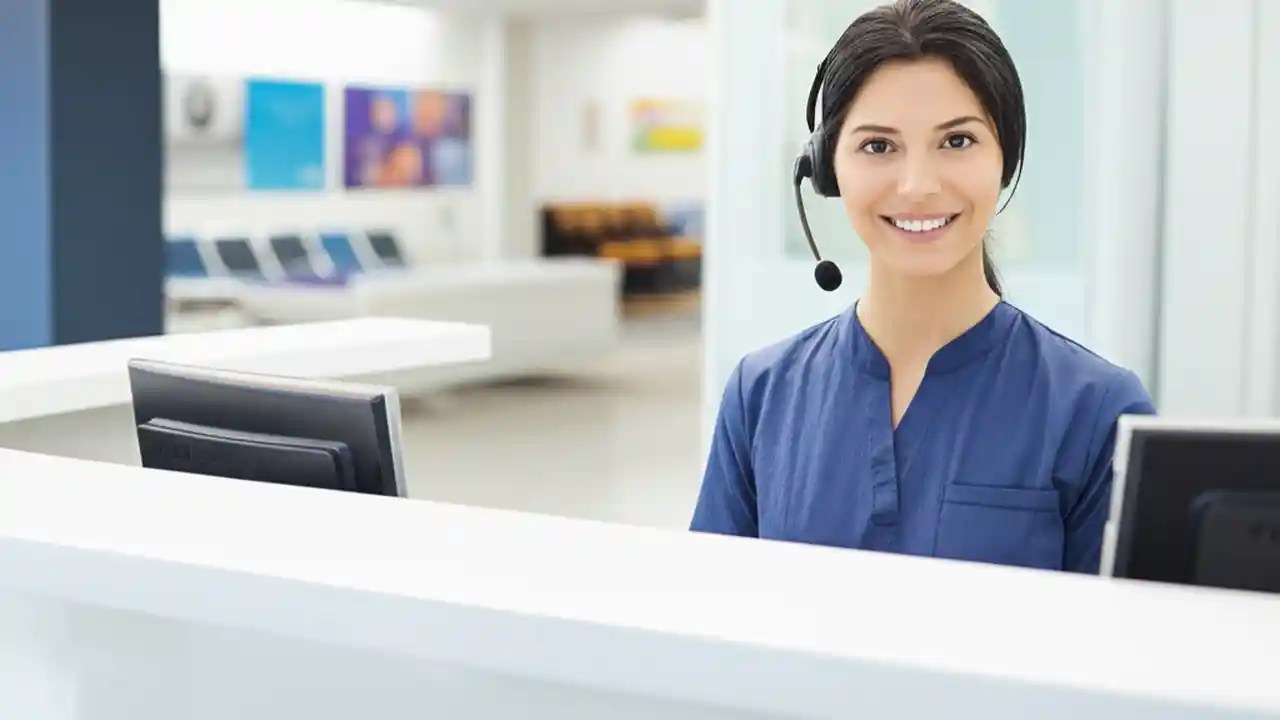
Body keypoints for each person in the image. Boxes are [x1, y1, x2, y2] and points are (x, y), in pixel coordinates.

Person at [690, 0, 1156, 573]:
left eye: (957, 141)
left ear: (1005, 159)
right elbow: (711, 619)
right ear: (827, 170)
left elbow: (1126, 651)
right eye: (878, 146)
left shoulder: (1097, 410)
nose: (917, 186)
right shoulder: (761, 397)